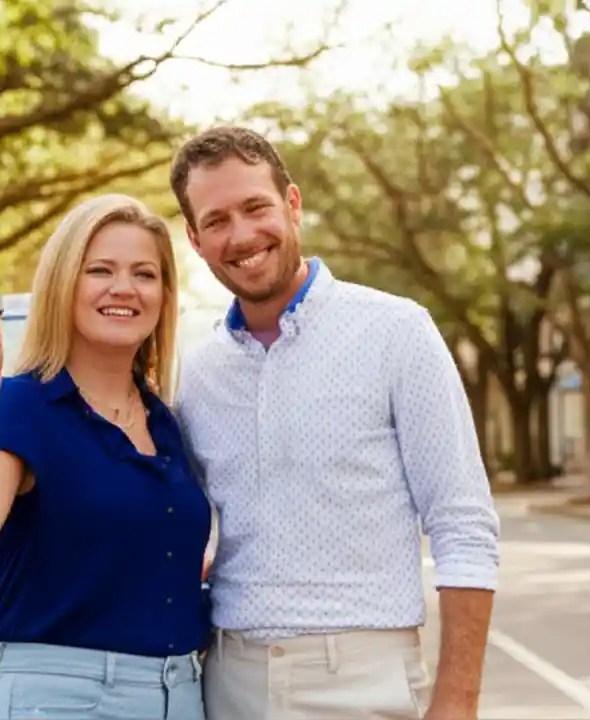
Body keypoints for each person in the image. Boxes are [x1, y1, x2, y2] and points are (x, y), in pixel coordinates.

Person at [169, 127, 501, 720]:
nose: (242, 235)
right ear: (194, 240)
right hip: (228, 681)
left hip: (362, 681)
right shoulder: (198, 371)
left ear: (292, 205)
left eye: (255, 207)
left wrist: (458, 700)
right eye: (216, 221)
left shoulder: (397, 332)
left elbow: (463, 524)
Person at [0, 194, 211, 720]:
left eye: (144, 274)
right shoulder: (19, 403)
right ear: (63, 284)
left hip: (179, 695)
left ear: (165, 295)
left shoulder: (165, 422)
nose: (123, 288)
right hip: (61, 700)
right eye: (99, 269)